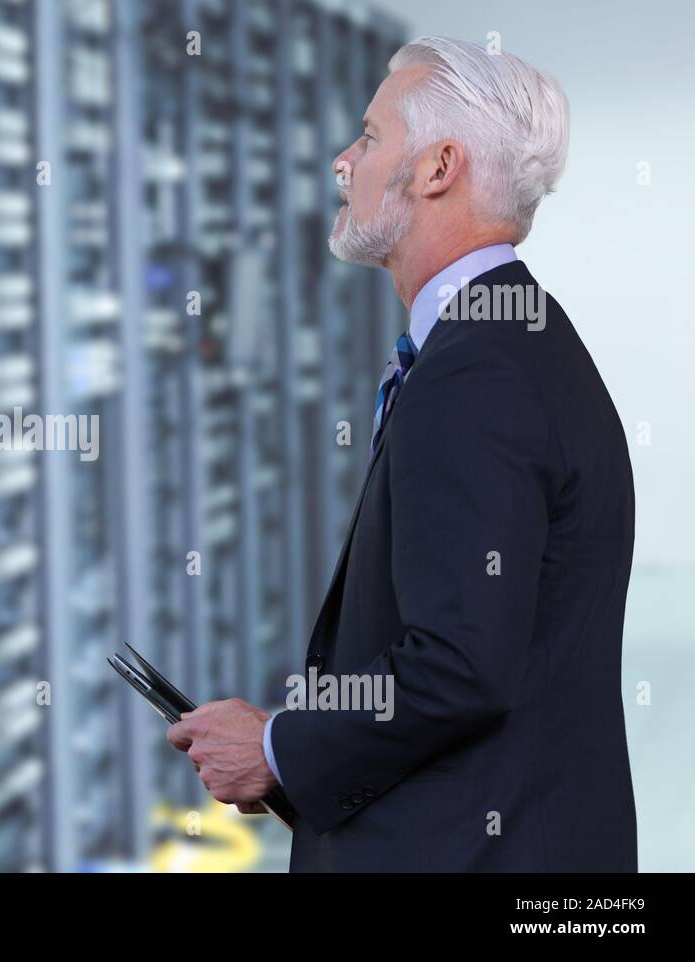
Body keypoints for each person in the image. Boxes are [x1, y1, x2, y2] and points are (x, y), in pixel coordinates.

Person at [168, 36, 638, 871]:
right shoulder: (514, 338)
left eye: (371, 137)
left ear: (437, 169)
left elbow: (460, 666)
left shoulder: (476, 375)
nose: (344, 162)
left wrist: (277, 747)